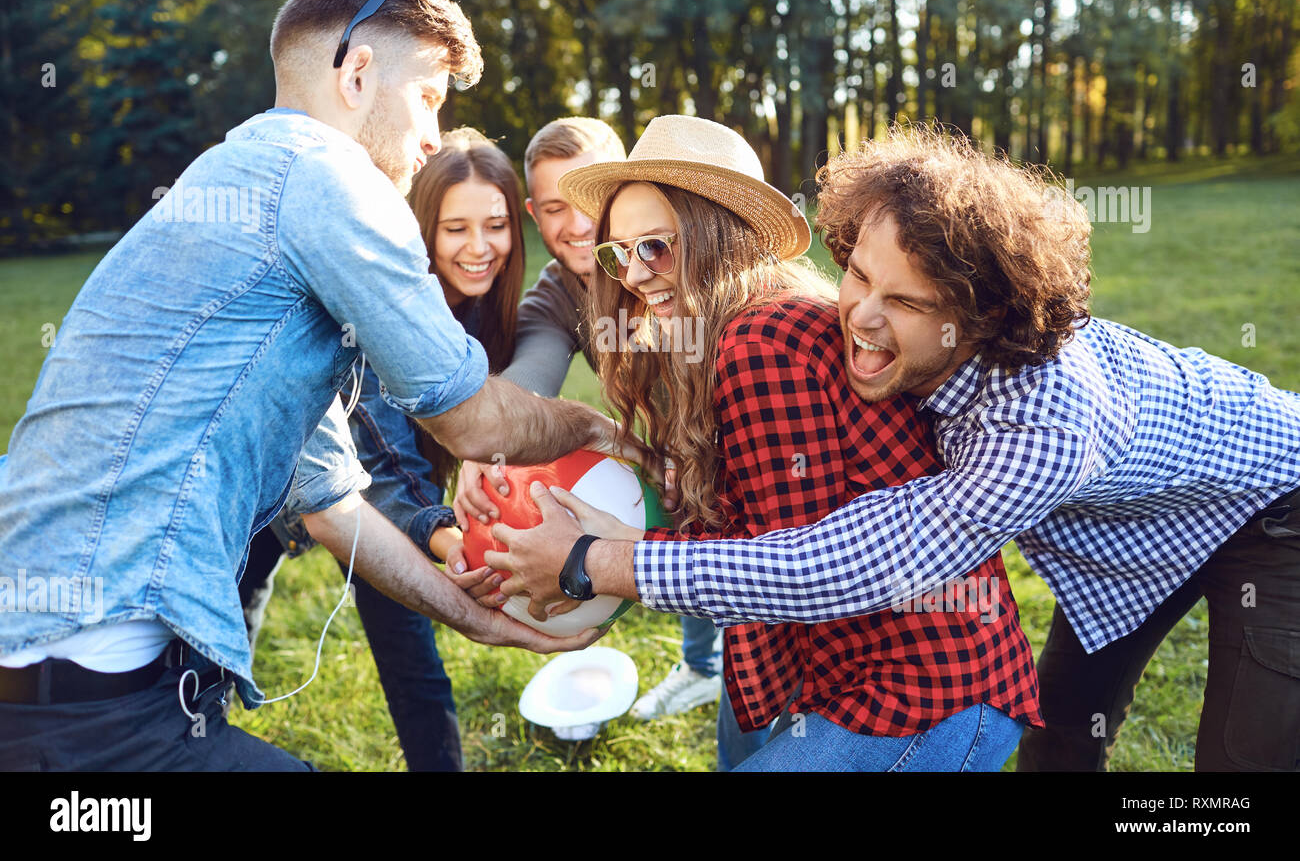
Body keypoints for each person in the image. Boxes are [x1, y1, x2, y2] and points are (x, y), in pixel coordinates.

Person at [490, 122, 1300, 772]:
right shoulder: (843, 339)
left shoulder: (1043, 425)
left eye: (904, 301)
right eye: (857, 276)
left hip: (1271, 514)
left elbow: (849, 561)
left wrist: (597, 561)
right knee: (1060, 743)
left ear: (977, 317)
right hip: (1135, 526)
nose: (860, 318)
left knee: (1240, 766)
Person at [0, 0, 646, 772]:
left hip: (51, 687)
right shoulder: (326, 178)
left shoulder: (233, 192)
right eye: (427, 98)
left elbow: (334, 506)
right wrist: (596, 428)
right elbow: (474, 418)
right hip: (97, 701)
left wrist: (472, 615)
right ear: (359, 71)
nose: (433, 136)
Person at [497, 115, 1042, 770]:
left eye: (657, 246)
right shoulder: (733, 323)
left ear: (716, 235)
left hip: (921, 692)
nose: (635, 274)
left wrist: (592, 558)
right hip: (843, 670)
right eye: (619, 252)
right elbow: (755, 531)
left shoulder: (760, 343)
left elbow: (777, 575)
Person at [239, 127, 527, 771]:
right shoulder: (381, 309)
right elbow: (387, 468)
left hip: (368, 506)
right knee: (230, 618)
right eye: (456, 229)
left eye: (496, 225)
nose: (480, 248)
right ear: (423, 227)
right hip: (290, 489)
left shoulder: (486, 312)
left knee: (409, 656)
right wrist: (461, 549)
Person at [447, 118, 728, 729]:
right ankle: (704, 668)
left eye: (587, 202)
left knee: (732, 553)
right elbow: (533, 371)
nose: (575, 225)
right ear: (533, 213)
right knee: (684, 525)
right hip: (670, 444)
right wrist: (488, 434)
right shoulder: (557, 293)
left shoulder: (670, 260)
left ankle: (737, 673)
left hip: (735, 430)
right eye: (554, 207)